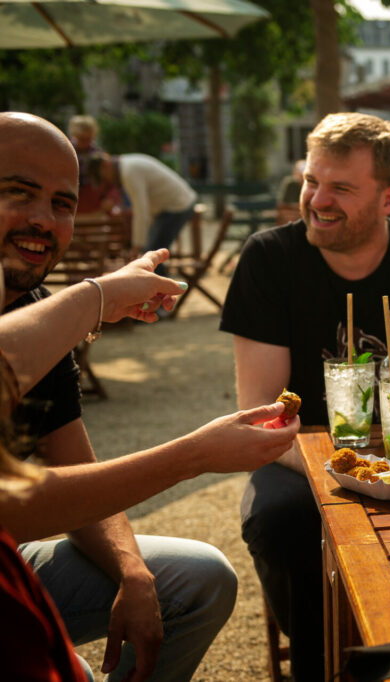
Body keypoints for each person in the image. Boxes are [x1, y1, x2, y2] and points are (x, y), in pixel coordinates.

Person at [0, 111, 301, 679]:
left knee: (197, 578)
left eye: (63, 203)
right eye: (18, 192)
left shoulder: (32, 309)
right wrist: (193, 456)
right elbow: (13, 503)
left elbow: (75, 474)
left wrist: (132, 572)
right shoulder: (54, 317)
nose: (42, 220)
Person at [220, 111, 390, 679]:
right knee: (281, 519)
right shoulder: (267, 260)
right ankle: (328, 666)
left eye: (340, 188)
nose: (317, 200)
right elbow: (262, 421)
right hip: (298, 463)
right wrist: (359, 473)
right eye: (310, 181)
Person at [86, 151, 197, 260]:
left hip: (177, 205)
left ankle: (158, 277)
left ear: (105, 165)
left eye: (104, 176)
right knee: (152, 253)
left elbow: (141, 212)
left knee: (152, 255)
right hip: (173, 205)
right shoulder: (126, 166)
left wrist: (136, 247)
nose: (107, 180)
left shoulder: (129, 172)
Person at [67, 114, 120, 216]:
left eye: (89, 139)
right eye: (81, 139)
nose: (85, 143)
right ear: (73, 134)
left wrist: (111, 198)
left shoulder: (100, 156)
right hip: (71, 211)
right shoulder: (65, 153)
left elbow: (113, 181)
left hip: (95, 211)